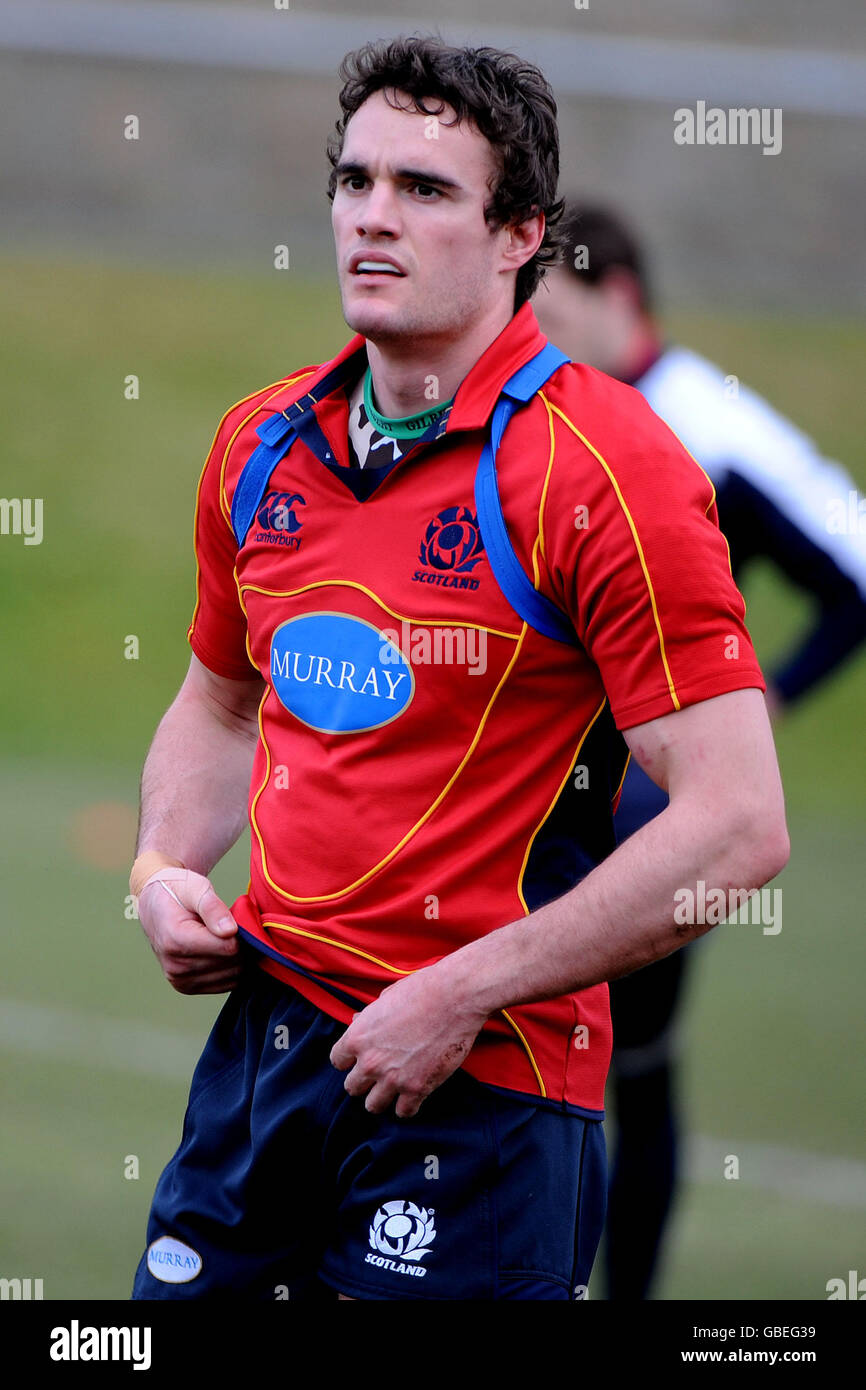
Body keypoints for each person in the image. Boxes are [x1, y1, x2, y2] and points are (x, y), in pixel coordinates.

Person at [129, 39, 788, 1302]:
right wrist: (163, 868)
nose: (374, 215)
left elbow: (738, 825)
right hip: (264, 1060)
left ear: (516, 236)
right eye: (356, 180)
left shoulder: (608, 469)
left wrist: (457, 992)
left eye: (425, 189)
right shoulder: (260, 444)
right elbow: (217, 698)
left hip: (485, 1101)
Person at [534, 202, 866, 1301]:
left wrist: (765, 697)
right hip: (538, 798)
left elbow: (851, 569)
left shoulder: (704, 419)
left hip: (655, 813)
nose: (534, 323)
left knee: (626, 1067)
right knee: (529, 1058)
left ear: (616, 296)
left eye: (554, 301)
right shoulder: (543, 416)